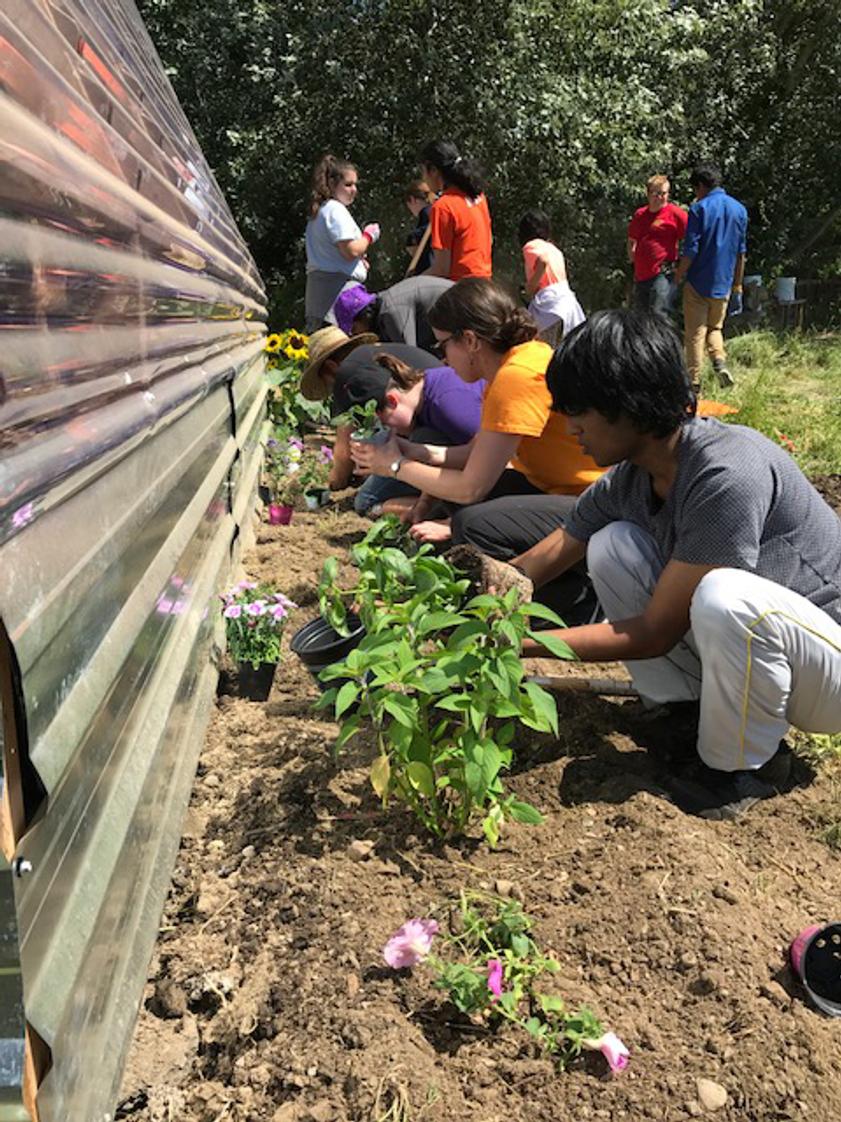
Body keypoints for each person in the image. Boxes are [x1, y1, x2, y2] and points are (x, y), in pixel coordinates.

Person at [511, 309, 841, 820]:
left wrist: (520, 644)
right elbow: (549, 555)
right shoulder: (634, 475)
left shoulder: (725, 474)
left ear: (627, 404)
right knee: (612, 544)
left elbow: (653, 632)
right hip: (775, 657)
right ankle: (683, 712)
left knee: (724, 596)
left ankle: (746, 767)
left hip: (827, 672)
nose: (569, 426)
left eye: (579, 409)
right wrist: (471, 605)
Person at [350, 278, 603, 623]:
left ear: (469, 340)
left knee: (472, 523)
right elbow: (473, 453)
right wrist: (412, 451)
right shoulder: (512, 366)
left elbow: (472, 488)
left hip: (594, 506)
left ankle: (572, 605)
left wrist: (394, 466)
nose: (443, 357)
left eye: (443, 344)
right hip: (565, 493)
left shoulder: (516, 377)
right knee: (457, 504)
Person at [332, 353, 485, 515]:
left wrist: (395, 465)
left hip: (490, 485)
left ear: (392, 400)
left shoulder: (450, 406)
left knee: (366, 501)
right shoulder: (425, 393)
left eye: (384, 422)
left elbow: (483, 461)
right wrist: (424, 501)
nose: (389, 428)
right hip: (465, 468)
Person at [299, 326, 440, 494]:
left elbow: (344, 449)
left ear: (330, 367)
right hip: (445, 421)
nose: (330, 387)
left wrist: (335, 483)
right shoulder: (374, 355)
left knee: (366, 499)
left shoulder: (347, 375)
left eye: (325, 380)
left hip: (434, 438)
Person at [674, 163, 748, 391]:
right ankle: (719, 362)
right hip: (724, 283)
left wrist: (678, 275)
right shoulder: (739, 210)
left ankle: (693, 383)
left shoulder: (699, 209)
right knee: (715, 328)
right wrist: (737, 286)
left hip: (698, 282)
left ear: (700, 186)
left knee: (695, 333)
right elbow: (741, 254)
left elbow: (691, 250)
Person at [304, 155, 381, 333]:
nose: (354, 190)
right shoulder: (335, 209)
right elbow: (351, 250)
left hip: (320, 294)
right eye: (348, 184)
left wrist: (358, 264)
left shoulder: (321, 211)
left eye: (355, 185)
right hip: (338, 294)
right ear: (332, 184)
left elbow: (335, 255)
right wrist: (368, 236)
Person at [419, 140, 492, 281]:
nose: (423, 178)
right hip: (484, 283)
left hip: (460, 288)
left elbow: (442, 269)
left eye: (423, 172)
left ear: (433, 170)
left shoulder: (443, 207)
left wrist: (411, 283)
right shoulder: (478, 196)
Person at [332, 276, 454, 352]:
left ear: (364, 315)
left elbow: (412, 357)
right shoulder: (385, 307)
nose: (356, 334)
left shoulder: (391, 312)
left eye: (354, 329)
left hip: (459, 314)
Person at [519, 209, 586, 345]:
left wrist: (530, 287)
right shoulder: (555, 249)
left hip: (550, 307)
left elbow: (543, 260)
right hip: (569, 305)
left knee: (543, 350)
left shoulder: (531, 246)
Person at [627, 174, 687, 316]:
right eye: (656, 194)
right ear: (648, 194)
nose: (660, 197)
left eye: (663, 194)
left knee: (658, 316)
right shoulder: (640, 214)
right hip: (641, 275)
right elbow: (631, 240)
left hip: (662, 274)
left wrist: (681, 268)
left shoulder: (676, 214)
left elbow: (691, 239)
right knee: (639, 318)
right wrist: (633, 260)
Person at [404, 179, 436, 275]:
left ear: (412, 200)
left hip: (430, 272)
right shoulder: (438, 211)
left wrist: (411, 239)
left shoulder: (425, 215)